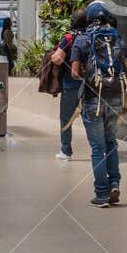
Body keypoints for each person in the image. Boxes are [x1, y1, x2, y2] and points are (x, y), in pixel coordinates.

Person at [70, 0, 127, 207]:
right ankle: (114, 183)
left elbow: (74, 72)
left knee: (98, 148)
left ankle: (101, 195)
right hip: (115, 99)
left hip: (92, 100)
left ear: (88, 18)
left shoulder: (82, 39)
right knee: (111, 143)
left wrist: (88, 74)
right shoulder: (118, 38)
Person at [48, 8, 88, 162]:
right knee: (91, 119)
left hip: (71, 85)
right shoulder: (92, 36)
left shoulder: (69, 38)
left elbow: (58, 59)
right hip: (90, 85)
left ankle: (66, 151)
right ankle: (99, 149)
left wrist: (52, 56)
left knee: (66, 119)